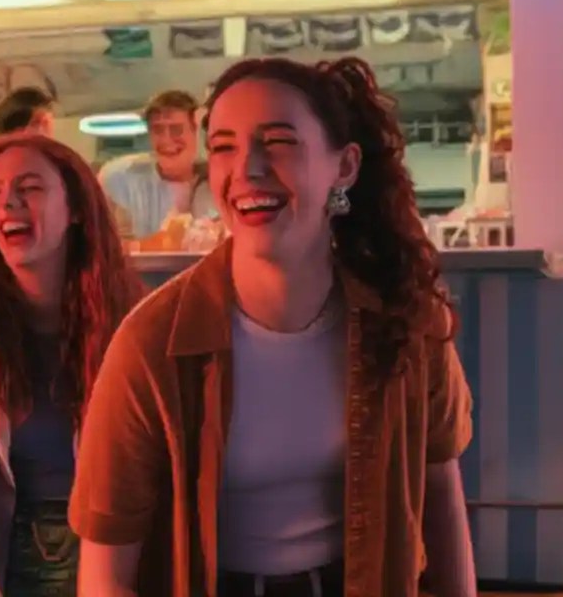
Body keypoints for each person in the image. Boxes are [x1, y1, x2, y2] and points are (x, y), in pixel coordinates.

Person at [69, 57, 476, 597]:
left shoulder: (407, 318)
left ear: (345, 167)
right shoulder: (151, 344)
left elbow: (441, 500)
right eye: (223, 147)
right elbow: (106, 566)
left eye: (278, 141)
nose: (247, 169)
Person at [0, 133, 145, 597]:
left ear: (76, 209)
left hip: (107, 543)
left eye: (30, 188)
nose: (7, 203)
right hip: (6, 546)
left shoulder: (130, 317)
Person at [99, 90, 215, 239]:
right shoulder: (119, 178)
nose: (167, 139)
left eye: (176, 129)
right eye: (158, 130)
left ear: (195, 131)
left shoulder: (217, 182)